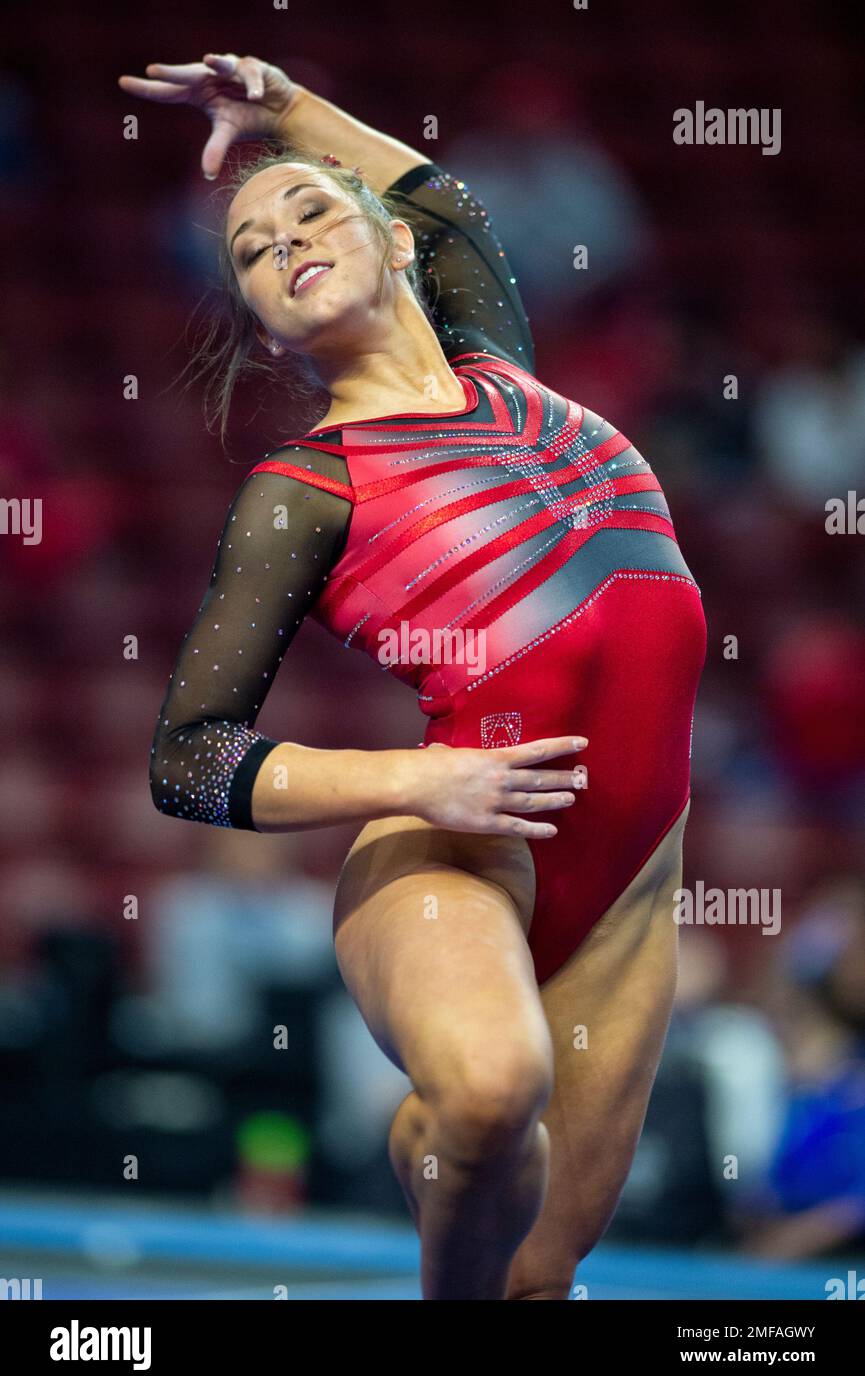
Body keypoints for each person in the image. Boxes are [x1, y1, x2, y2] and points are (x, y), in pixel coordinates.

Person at [120, 51, 707, 1299]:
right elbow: (188, 754)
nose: (280, 243)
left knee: (541, 1269)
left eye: (310, 211)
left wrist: (280, 112)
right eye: (250, 251)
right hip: (451, 854)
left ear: (390, 242)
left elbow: (455, 203)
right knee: (495, 1089)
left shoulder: (502, 358)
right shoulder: (304, 492)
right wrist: (420, 779)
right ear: (261, 318)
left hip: (631, 884)